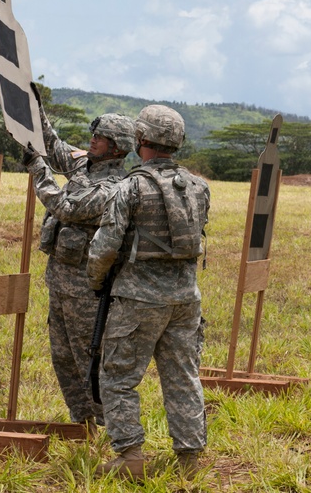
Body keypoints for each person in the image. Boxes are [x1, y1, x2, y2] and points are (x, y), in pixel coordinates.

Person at [88, 105, 210, 480]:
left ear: (140, 139)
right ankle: (189, 460)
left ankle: (130, 456)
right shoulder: (198, 187)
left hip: (138, 299)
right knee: (183, 375)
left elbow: (105, 247)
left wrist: (96, 281)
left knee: (118, 376)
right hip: (186, 299)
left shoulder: (130, 186)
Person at [23, 102, 135, 431]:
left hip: (87, 292)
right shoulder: (84, 165)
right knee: (62, 356)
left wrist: (37, 169)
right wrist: (34, 107)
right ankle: (81, 422)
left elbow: (66, 207)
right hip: (59, 282)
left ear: (115, 148)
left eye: (99, 137)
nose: (92, 140)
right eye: (94, 134)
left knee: (89, 357)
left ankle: (105, 426)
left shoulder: (114, 188)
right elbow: (53, 146)